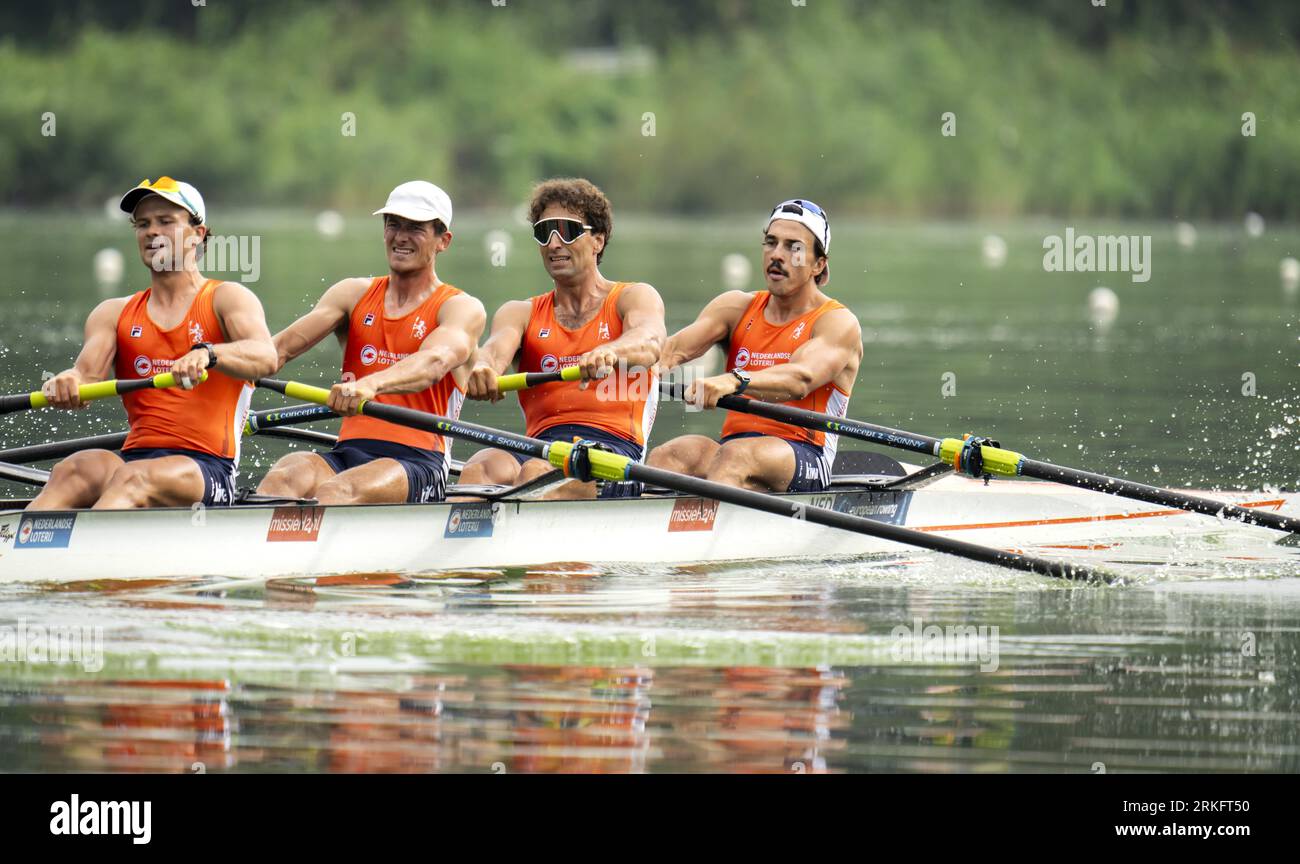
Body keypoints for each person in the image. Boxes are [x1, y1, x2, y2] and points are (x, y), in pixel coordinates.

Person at [29, 177, 277, 510]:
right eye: (143, 224)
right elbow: (85, 376)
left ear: (198, 234)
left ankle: (90, 553)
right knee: (75, 467)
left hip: (207, 470)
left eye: (166, 222)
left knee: (133, 478)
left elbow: (265, 356)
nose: (151, 231)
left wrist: (208, 353)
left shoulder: (227, 299)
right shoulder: (113, 313)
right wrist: (67, 382)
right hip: (133, 464)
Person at [256, 181, 485, 504]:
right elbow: (275, 351)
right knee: (285, 475)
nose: (401, 236)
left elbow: (433, 363)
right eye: (393, 224)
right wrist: (215, 361)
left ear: (443, 241)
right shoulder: (352, 294)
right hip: (347, 454)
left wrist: (370, 385)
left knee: (336, 491)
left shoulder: (461, 308)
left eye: (416, 228)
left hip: (419, 464)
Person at [458, 178, 665, 499]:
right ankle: (462, 541)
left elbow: (649, 341)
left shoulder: (633, 297)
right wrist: (482, 370)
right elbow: (494, 353)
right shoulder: (520, 312)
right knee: (482, 467)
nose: (553, 243)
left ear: (598, 240)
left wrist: (611, 351)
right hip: (538, 448)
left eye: (566, 231)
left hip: (611, 452)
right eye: (544, 232)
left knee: (536, 474)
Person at [647, 199, 862, 493]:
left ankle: (712, 532)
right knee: (669, 455)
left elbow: (800, 379)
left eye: (793, 247)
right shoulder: (734, 307)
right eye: (770, 243)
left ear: (818, 264)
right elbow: (670, 352)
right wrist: (625, 364)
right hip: (733, 449)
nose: (777, 255)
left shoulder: (837, 323)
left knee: (736, 456)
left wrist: (735, 380)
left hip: (804, 453)